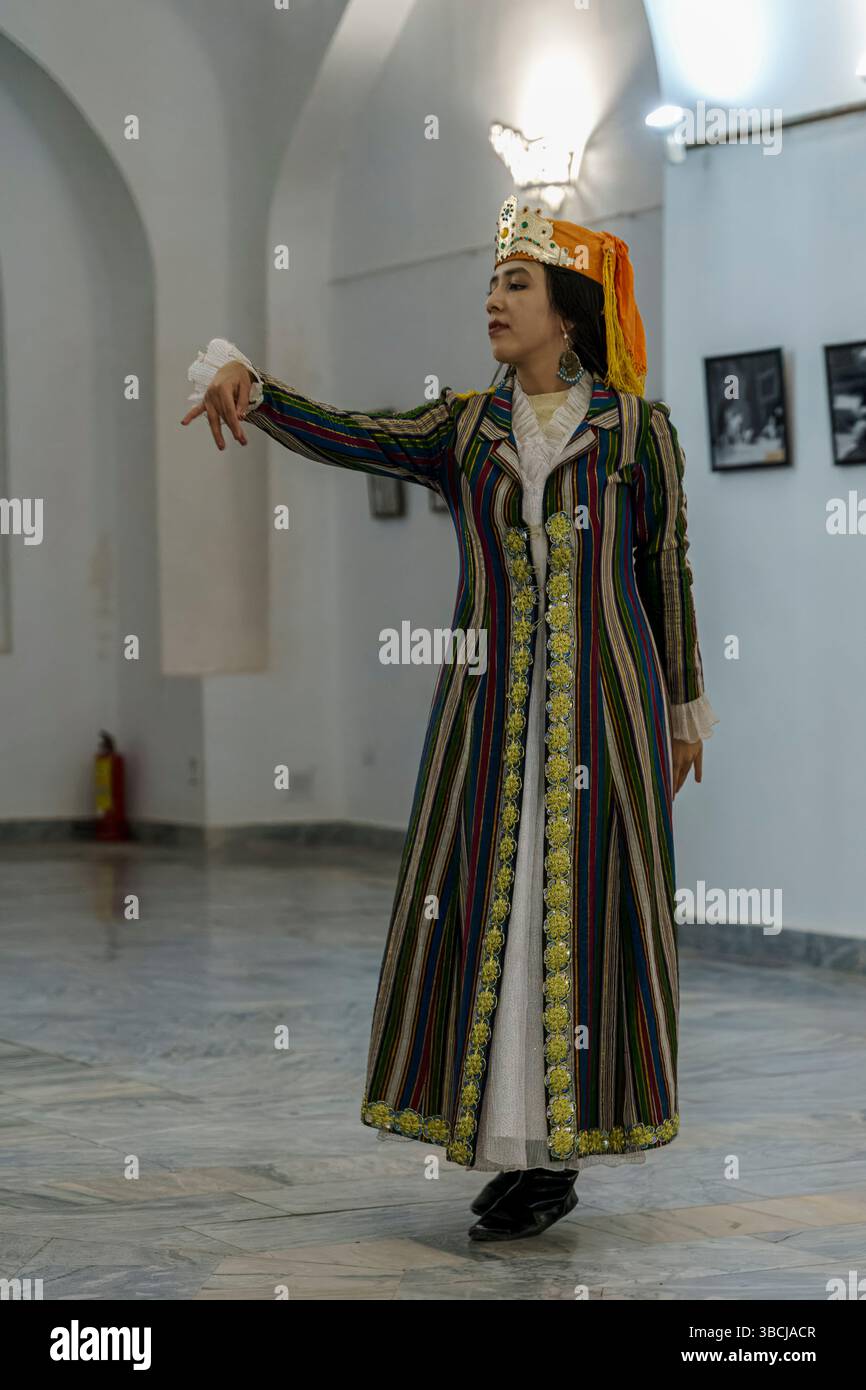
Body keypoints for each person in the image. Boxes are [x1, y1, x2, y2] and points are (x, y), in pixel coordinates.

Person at [181, 194, 719, 1242]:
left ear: (567, 310)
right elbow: (353, 434)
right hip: (487, 719)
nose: (491, 302)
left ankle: (556, 1156)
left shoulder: (635, 433)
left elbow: (663, 570)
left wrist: (684, 705)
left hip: (603, 717)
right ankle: (513, 1149)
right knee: (489, 913)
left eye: (513, 284)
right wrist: (257, 386)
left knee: (583, 921)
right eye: (488, 285)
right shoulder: (462, 427)